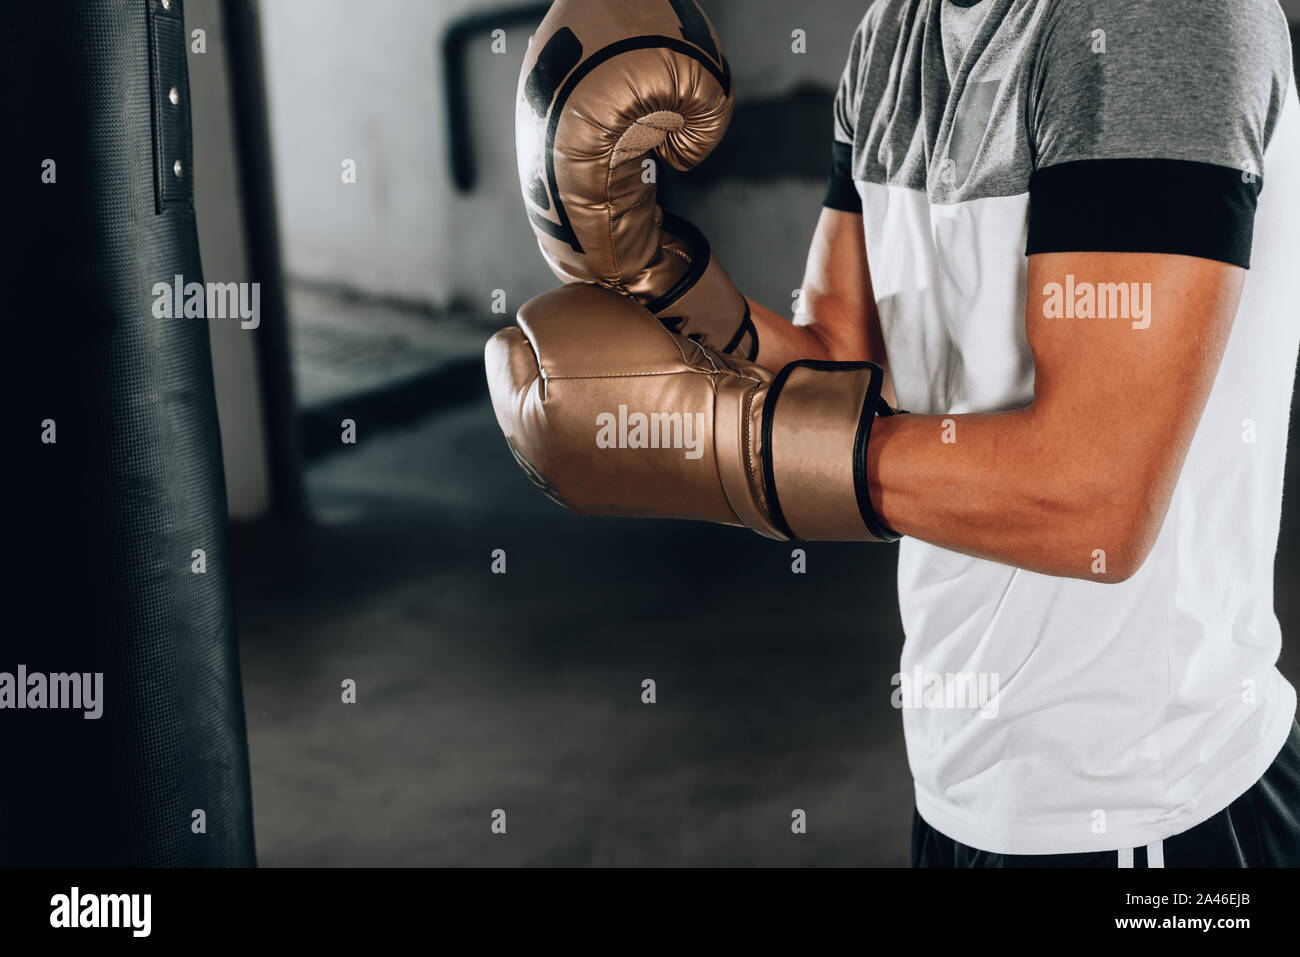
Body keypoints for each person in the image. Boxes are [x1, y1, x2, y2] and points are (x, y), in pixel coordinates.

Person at [490, 0, 1300, 866]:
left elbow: (1091, 500)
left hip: (1152, 801)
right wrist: (655, 275)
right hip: (960, 779)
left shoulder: (1159, 22)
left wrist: (726, 443)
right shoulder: (894, 34)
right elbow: (837, 361)